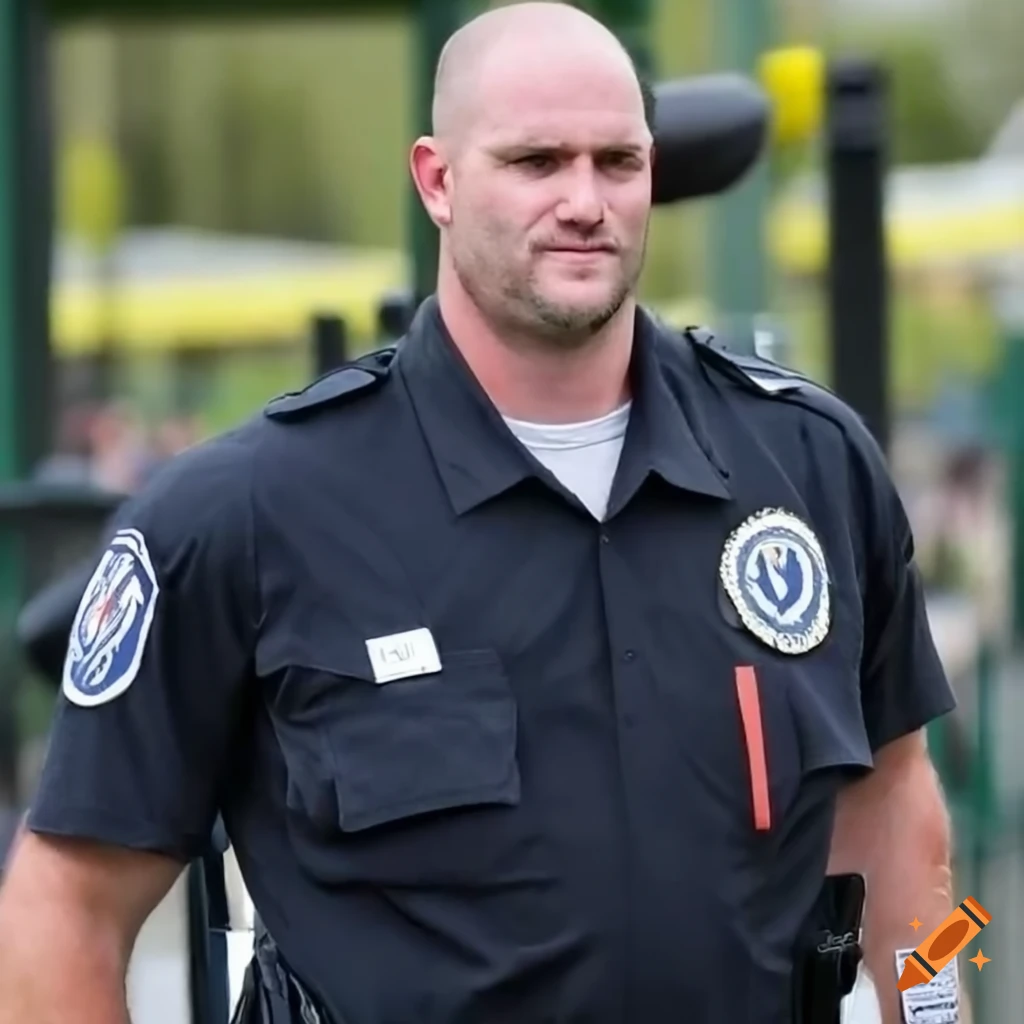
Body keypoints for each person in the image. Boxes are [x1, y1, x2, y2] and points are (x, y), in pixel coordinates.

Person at [0, 4, 959, 1023]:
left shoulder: (810, 466)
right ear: (437, 179)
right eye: (537, 162)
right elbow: (61, 906)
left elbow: (905, 831)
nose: (584, 201)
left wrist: (938, 1000)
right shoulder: (248, 511)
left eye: (617, 161)